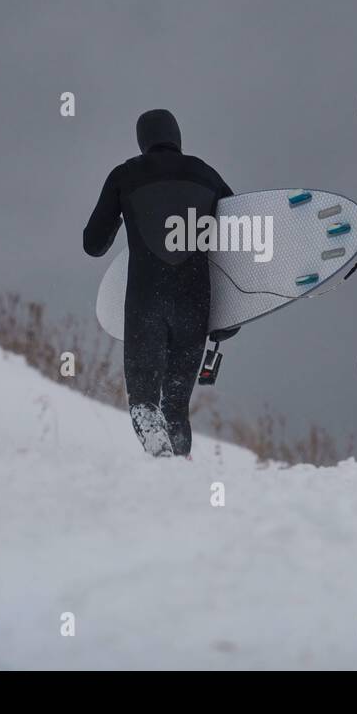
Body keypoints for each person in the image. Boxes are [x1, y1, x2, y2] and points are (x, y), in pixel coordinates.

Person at [83, 110, 233, 457]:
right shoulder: (207, 175)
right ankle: (179, 474)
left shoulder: (125, 175)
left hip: (146, 301)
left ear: (142, 140)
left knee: (145, 404)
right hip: (195, 304)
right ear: (177, 136)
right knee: (176, 406)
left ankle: (162, 465)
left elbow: (93, 244)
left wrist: (124, 210)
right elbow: (234, 239)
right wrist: (230, 315)